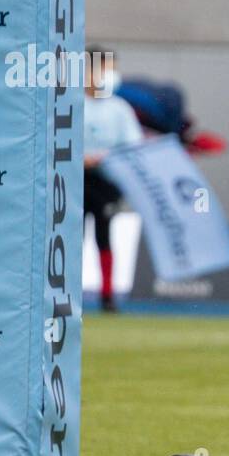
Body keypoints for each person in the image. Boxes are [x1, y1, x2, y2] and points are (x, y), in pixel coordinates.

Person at [84, 48, 144, 313]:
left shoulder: (119, 109)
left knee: (104, 235)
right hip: (72, 181)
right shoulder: (68, 104)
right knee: (68, 238)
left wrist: (107, 156)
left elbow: (132, 146)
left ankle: (107, 296)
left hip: (105, 181)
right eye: (102, 68)